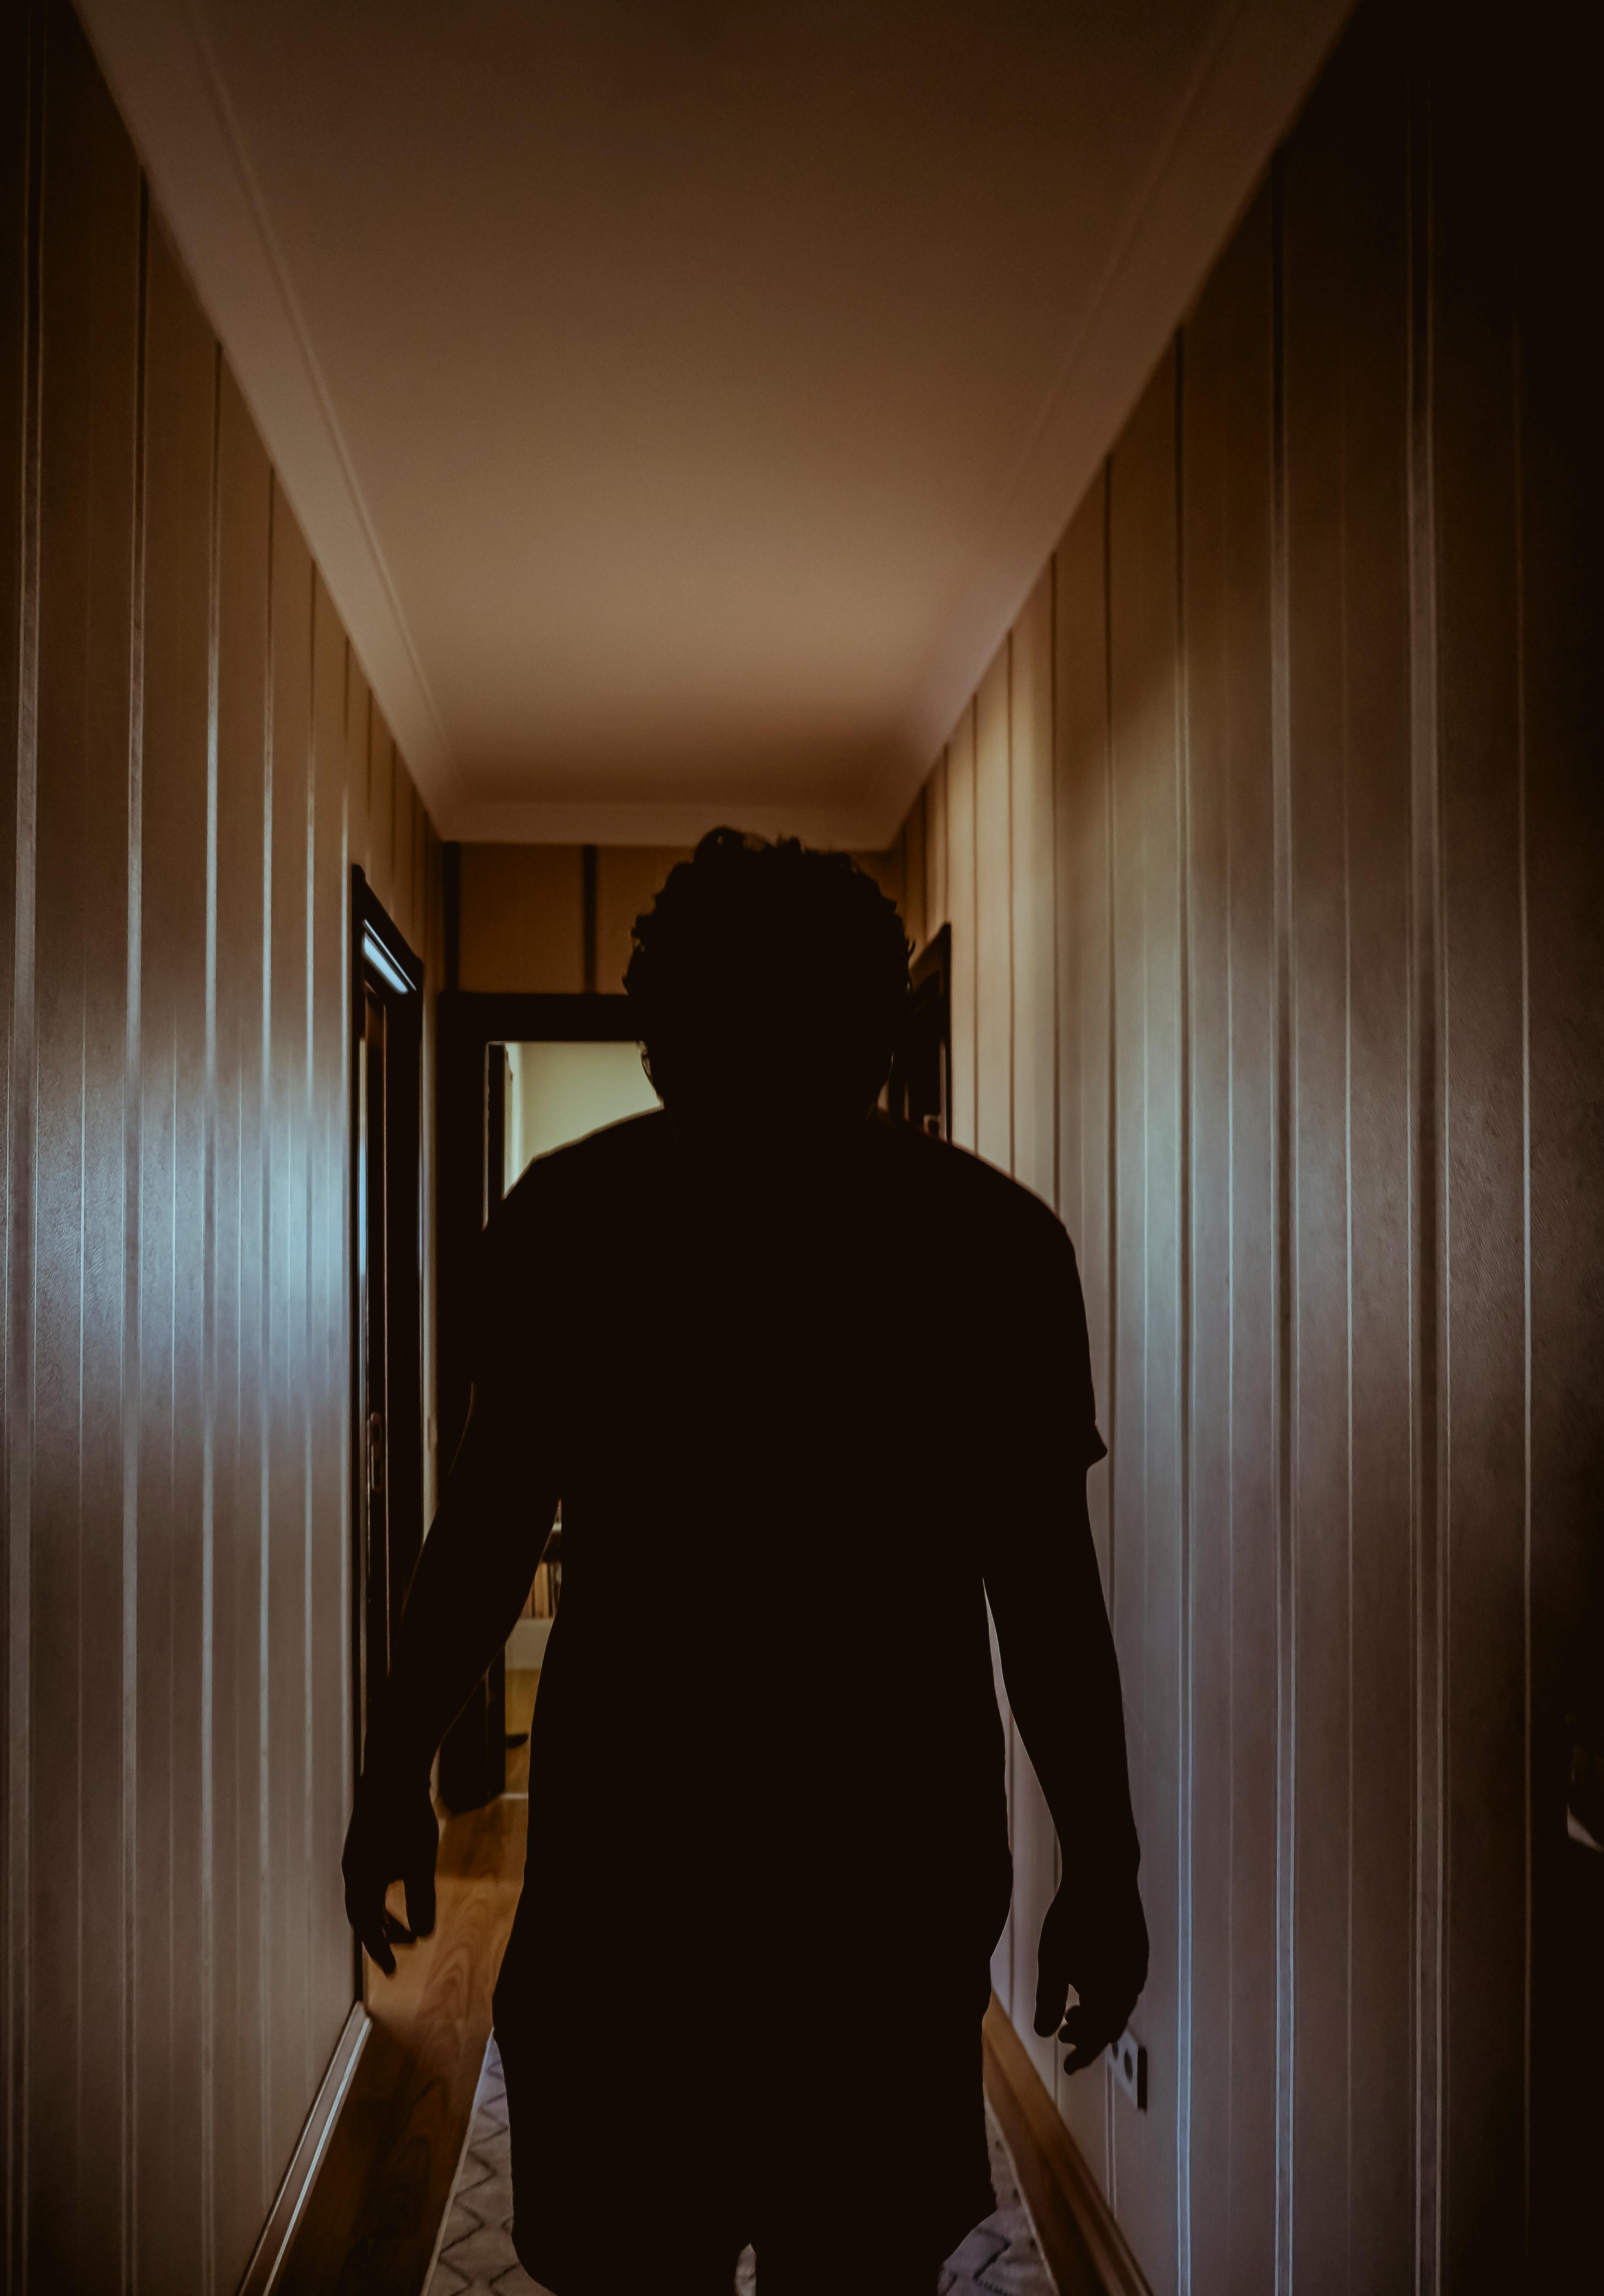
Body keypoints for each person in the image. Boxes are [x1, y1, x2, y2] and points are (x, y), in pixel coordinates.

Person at [343, 829, 1147, 2294]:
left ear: (663, 1037)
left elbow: (481, 1537)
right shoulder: (992, 1246)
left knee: (634, 2250)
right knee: (852, 2257)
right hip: (875, 1877)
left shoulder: (574, 1224)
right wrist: (1102, 1858)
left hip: (646, 1876)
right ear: (882, 1034)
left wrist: (398, 1768)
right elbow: (1044, 1599)